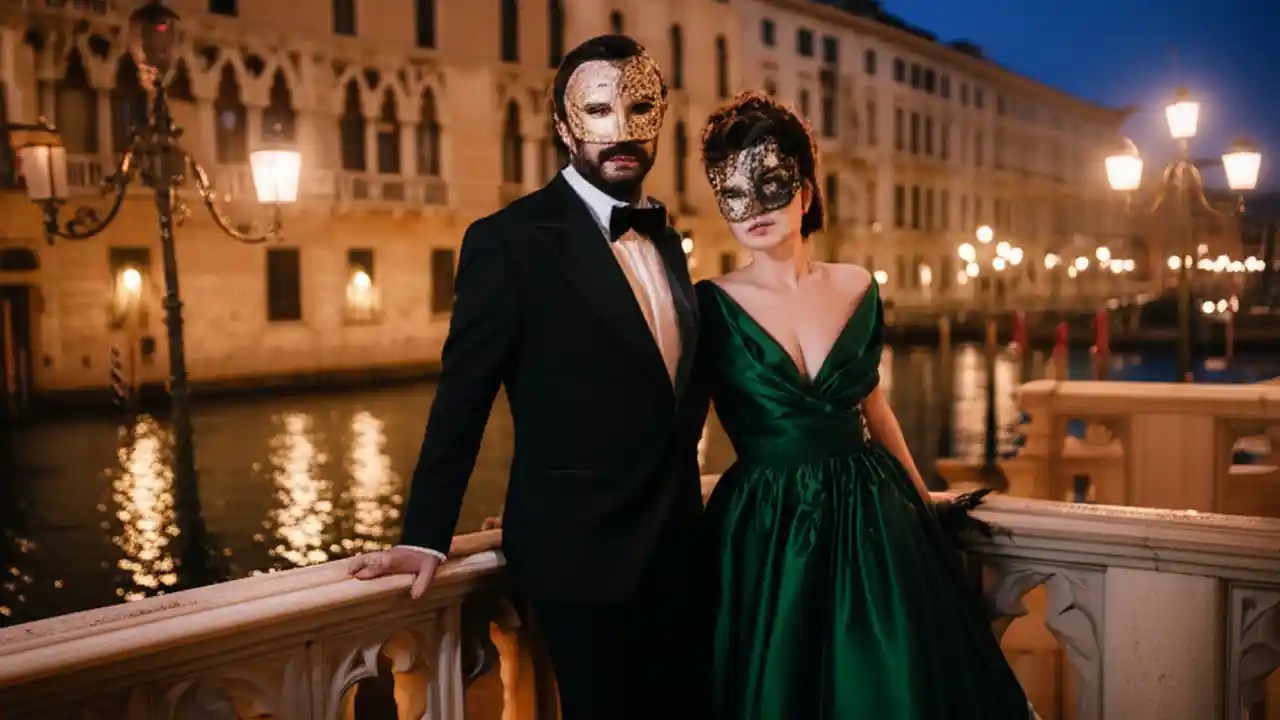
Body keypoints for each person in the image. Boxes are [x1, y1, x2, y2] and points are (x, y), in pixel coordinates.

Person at [348, 35, 708, 719]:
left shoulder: (663, 235)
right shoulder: (506, 240)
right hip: (581, 560)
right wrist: (426, 532)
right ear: (564, 127)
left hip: (680, 554)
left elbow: (672, 395)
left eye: (640, 108)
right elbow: (463, 397)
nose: (623, 130)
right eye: (599, 111)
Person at [689, 90, 1034, 718]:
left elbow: (876, 409)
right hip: (767, 525)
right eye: (732, 193)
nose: (753, 208)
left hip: (874, 512)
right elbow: (674, 433)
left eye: (769, 183)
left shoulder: (856, 285)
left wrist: (920, 499)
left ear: (805, 186)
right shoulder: (706, 304)